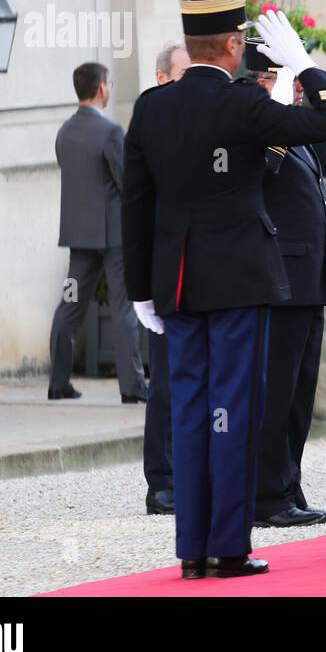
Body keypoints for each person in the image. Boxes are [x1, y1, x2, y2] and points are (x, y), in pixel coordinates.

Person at [123, 0, 326, 580]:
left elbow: (136, 203)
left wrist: (140, 289)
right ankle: (227, 548)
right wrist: (303, 64)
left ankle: (192, 551)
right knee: (233, 410)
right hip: (238, 281)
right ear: (232, 45)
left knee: (194, 414)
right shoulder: (244, 105)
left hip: (175, 281)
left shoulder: (152, 107)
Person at [238, 40, 326, 528]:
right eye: (283, 77)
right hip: (278, 280)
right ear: (260, 78)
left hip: (306, 278)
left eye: (297, 79)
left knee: (300, 393)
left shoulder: (287, 122)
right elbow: (258, 172)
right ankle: (266, 497)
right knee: (276, 392)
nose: (297, 89)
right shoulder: (250, 120)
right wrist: (276, 115)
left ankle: (289, 487)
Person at [47, 62, 148, 403]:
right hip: (114, 235)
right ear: (102, 88)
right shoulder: (110, 131)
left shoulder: (64, 132)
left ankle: (58, 382)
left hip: (79, 236)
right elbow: (126, 182)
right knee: (123, 307)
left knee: (70, 305)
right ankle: (132, 387)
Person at [141, 43, 191, 516]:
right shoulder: (150, 126)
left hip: (208, 272)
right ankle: (161, 483)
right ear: (161, 79)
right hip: (167, 275)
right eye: (182, 74)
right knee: (167, 384)